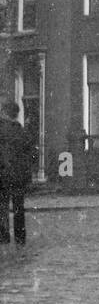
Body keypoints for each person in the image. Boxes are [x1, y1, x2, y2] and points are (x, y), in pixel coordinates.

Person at [0, 99, 34, 247]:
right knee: (19, 208)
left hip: (3, 174)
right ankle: (20, 240)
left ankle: (3, 237)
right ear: (16, 114)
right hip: (19, 177)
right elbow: (31, 155)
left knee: (2, 208)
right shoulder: (21, 131)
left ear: (4, 112)